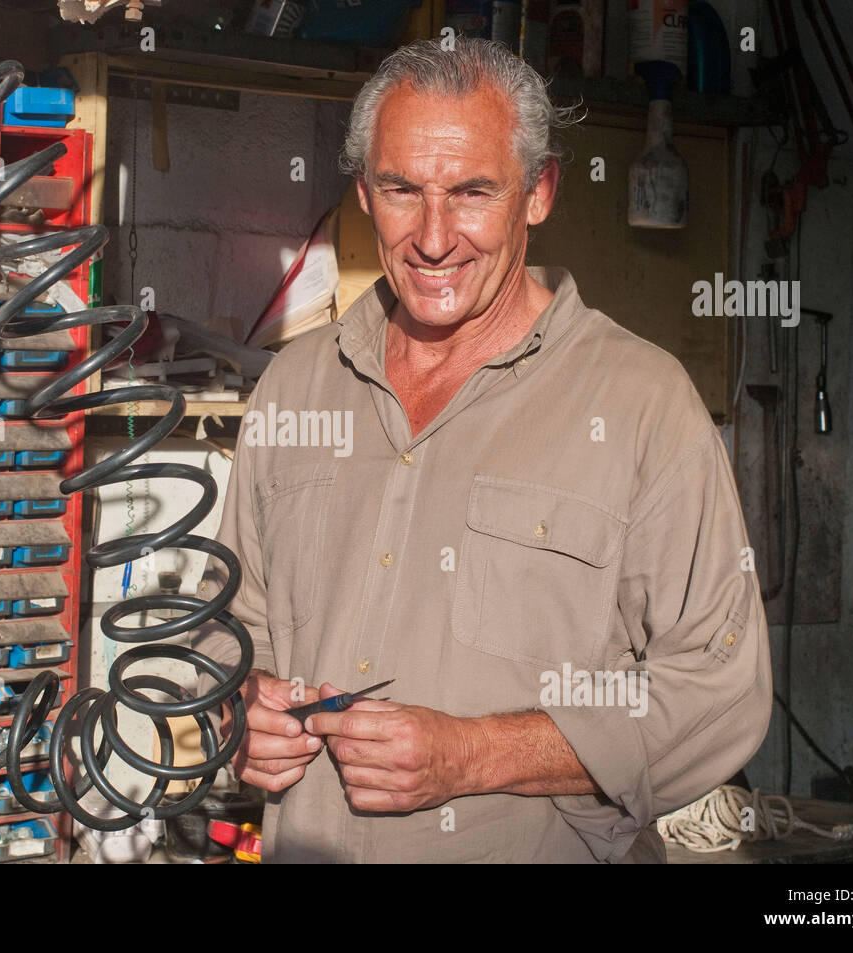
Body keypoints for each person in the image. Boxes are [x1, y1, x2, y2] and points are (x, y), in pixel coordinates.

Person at [192, 37, 772, 863]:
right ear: (364, 191)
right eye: (401, 190)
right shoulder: (297, 387)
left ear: (538, 192)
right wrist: (237, 706)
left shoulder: (643, 404)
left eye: (471, 192)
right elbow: (225, 626)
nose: (433, 238)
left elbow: (721, 693)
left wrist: (475, 755)